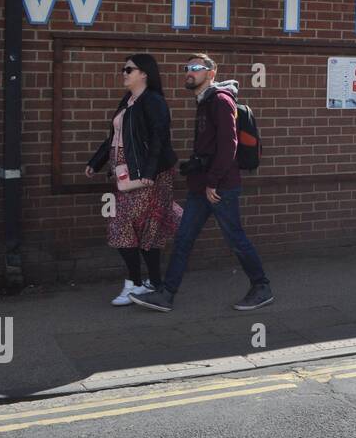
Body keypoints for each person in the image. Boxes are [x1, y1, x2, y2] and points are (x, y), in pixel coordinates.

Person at [131, 54, 274, 312]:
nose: (190, 72)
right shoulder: (204, 102)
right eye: (187, 68)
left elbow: (228, 145)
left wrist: (213, 182)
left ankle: (261, 287)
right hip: (203, 186)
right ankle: (166, 295)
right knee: (184, 238)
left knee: (235, 238)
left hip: (220, 187)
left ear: (211, 73)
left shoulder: (220, 101)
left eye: (196, 68)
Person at [85, 54, 182, 306]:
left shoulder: (153, 101)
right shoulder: (128, 101)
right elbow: (114, 138)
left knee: (124, 226)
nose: (124, 73)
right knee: (141, 228)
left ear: (144, 73)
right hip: (126, 175)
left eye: (129, 69)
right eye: (123, 69)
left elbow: (159, 139)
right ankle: (152, 283)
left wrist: (148, 174)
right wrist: (96, 162)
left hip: (146, 176)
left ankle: (135, 284)